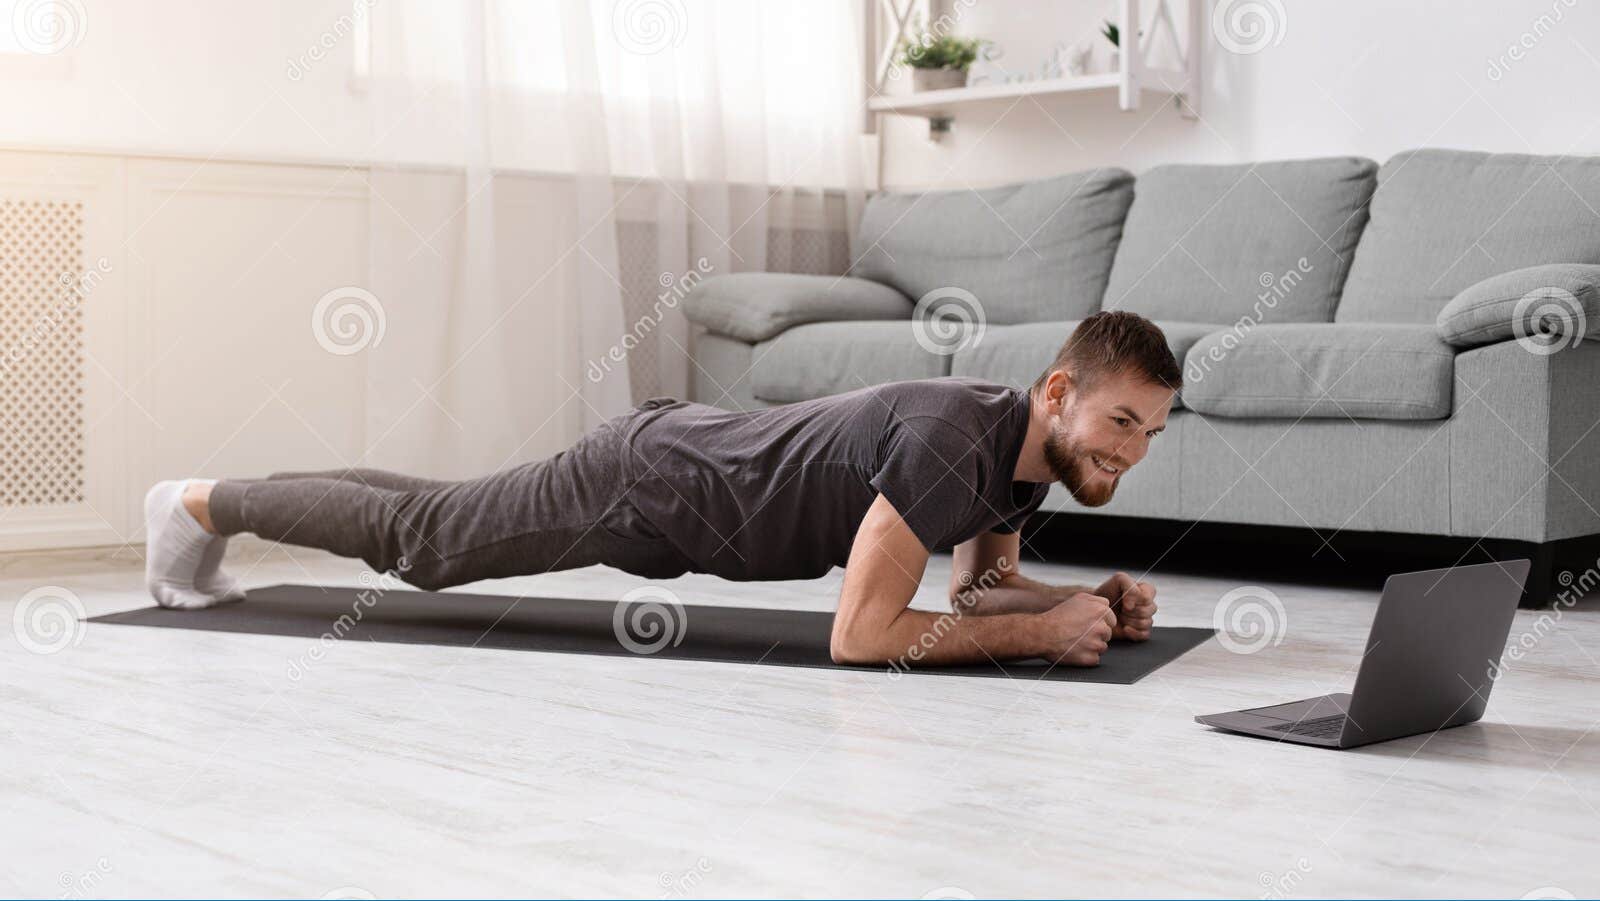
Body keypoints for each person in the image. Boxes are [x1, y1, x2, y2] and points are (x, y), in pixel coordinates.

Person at [144, 310, 1179, 669]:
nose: (1128, 452)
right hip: (655, 483)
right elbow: (861, 636)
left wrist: (1068, 603)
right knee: (425, 547)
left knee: (435, 508)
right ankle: (195, 502)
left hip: (682, 492)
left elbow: (971, 593)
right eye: (1119, 422)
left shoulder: (1022, 459)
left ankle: (232, 494)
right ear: (1058, 393)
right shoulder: (956, 441)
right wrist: (1043, 638)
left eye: (1149, 432)